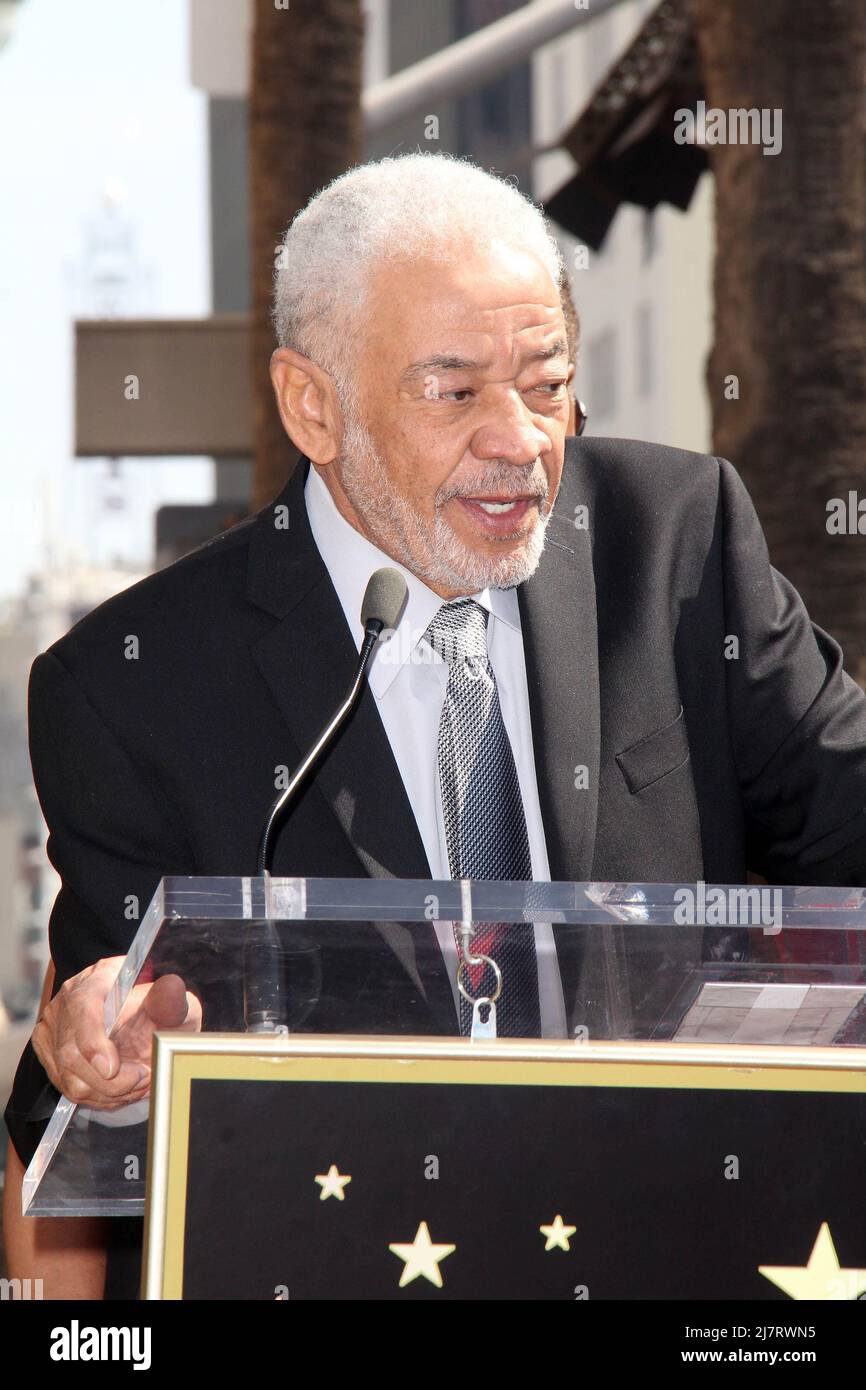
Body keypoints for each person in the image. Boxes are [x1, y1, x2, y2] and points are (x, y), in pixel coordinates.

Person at [5, 152, 866, 1298]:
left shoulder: (676, 543)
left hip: (675, 1262)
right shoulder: (134, 687)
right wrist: (99, 1051)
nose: (518, 439)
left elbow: (846, 820)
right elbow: (90, 1055)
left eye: (546, 381)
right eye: (454, 391)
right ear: (312, 404)